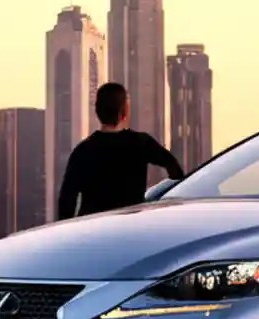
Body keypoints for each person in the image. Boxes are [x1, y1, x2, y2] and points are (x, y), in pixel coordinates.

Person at [56, 82, 185, 219]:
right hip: (129, 224)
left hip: (93, 226)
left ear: (97, 110)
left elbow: (67, 199)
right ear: (124, 111)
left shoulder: (82, 151)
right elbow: (174, 167)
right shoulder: (141, 143)